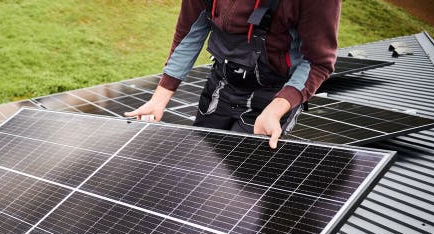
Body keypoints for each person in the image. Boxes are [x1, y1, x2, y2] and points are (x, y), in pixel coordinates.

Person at [126, 0, 341, 148]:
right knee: (201, 159)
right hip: (221, 84)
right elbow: (190, 30)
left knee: (242, 178)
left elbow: (318, 62)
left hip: (272, 96)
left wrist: (276, 110)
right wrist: (159, 98)